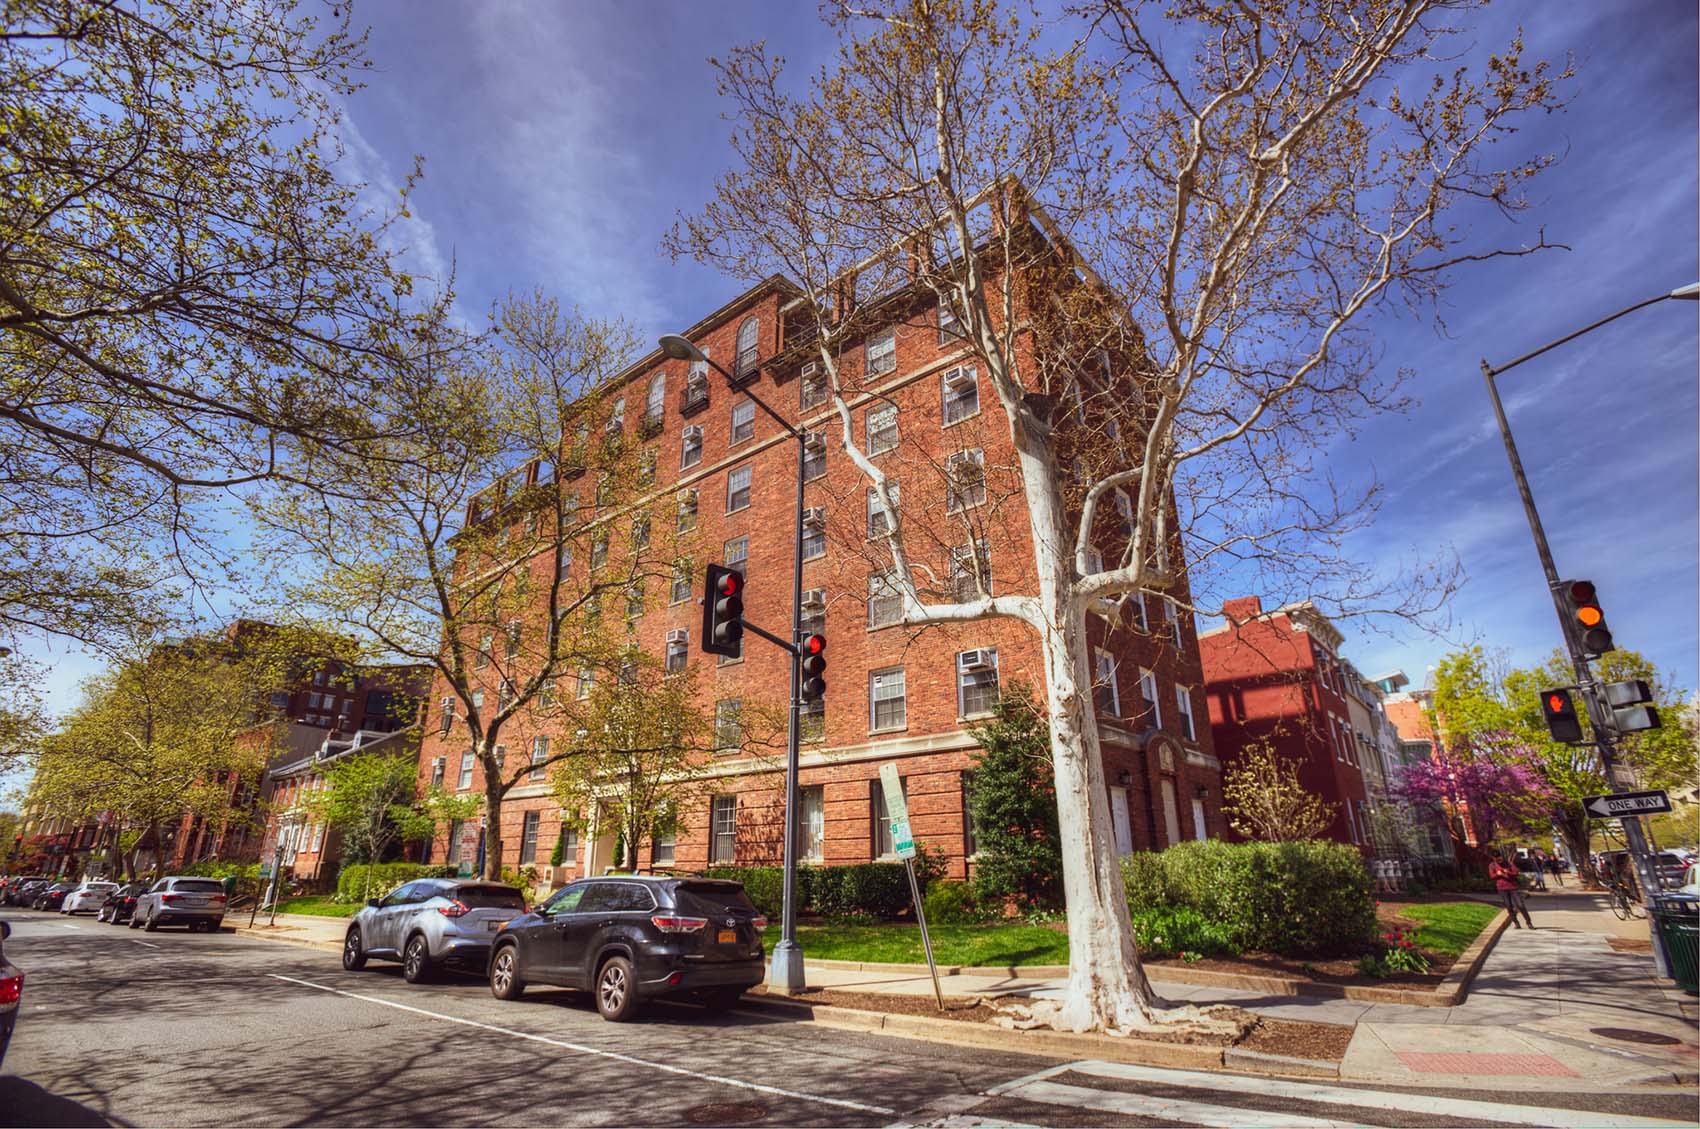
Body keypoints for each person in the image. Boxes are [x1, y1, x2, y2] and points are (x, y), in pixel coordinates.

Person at [1489, 852, 1534, 929]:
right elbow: (1492, 876)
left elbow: (1516, 873)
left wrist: (1508, 872)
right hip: (1502, 889)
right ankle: (1516, 923)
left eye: (1500, 858)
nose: (1499, 860)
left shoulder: (1509, 863)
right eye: (1497, 859)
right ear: (1494, 859)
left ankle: (1528, 922)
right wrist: (1498, 874)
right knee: (1509, 906)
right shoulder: (1492, 865)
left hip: (1513, 887)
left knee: (1520, 905)